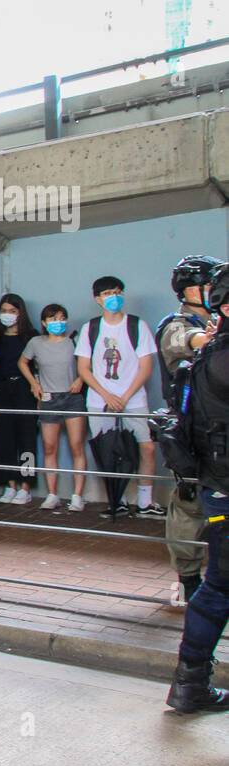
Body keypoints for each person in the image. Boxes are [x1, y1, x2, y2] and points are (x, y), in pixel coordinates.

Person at [165, 262, 229, 712]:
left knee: (220, 586)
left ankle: (190, 684)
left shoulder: (212, 353)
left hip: (217, 486)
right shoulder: (216, 355)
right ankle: (190, 684)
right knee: (219, 587)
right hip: (222, 487)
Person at [157, 254, 223, 598]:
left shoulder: (219, 319)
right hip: (191, 435)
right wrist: (210, 337)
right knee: (189, 507)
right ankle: (189, 580)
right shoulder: (176, 324)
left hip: (219, 432)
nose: (213, 291)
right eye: (208, 285)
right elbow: (189, 340)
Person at [74, 275, 164, 518]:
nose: (112, 297)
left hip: (133, 400)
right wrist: (106, 395)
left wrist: (124, 396)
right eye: (106, 294)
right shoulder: (90, 329)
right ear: (97, 299)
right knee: (107, 449)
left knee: (146, 448)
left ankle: (145, 502)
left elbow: (146, 366)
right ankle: (118, 499)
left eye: (116, 292)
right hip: (100, 401)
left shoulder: (137, 326)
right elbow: (84, 368)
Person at [19, 305, 87, 512]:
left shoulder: (74, 341)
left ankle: (77, 496)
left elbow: (88, 365)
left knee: (77, 445)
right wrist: (34, 383)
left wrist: (80, 379)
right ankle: (52, 494)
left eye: (61, 318)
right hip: (48, 398)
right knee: (50, 447)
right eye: (53, 318)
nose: (58, 322)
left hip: (73, 397)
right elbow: (22, 362)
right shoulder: (36, 343)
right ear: (44, 323)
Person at [0, 293, 39, 505]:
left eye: (12, 311)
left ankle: (25, 486)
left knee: (27, 438)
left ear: (21, 313)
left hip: (25, 389)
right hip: (2, 391)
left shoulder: (31, 337)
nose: (8, 315)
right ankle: (9, 485)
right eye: (4, 311)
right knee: (4, 439)